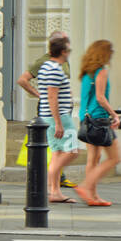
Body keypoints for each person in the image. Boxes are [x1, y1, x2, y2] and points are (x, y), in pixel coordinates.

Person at [19, 29, 76, 188]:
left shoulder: (64, 61)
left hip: (63, 109)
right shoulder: (44, 61)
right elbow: (23, 80)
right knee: (54, 146)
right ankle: (46, 178)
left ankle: (57, 179)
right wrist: (39, 95)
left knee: (59, 147)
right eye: (65, 42)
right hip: (52, 111)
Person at [75, 40, 120, 206]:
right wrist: (114, 114)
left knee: (93, 158)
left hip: (86, 118)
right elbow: (101, 98)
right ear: (104, 53)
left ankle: (92, 196)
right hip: (99, 119)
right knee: (115, 158)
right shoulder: (101, 71)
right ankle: (86, 187)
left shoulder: (88, 72)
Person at [35, 37, 78, 203]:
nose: (69, 54)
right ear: (62, 52)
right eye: (68, 51)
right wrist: (59, 122)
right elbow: (52, 97)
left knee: (57, 153)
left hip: (53, 116)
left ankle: (55, 191)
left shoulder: (46, 66)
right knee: (73, 151)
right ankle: (50, 183)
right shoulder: (54, 69)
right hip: (59, 117)